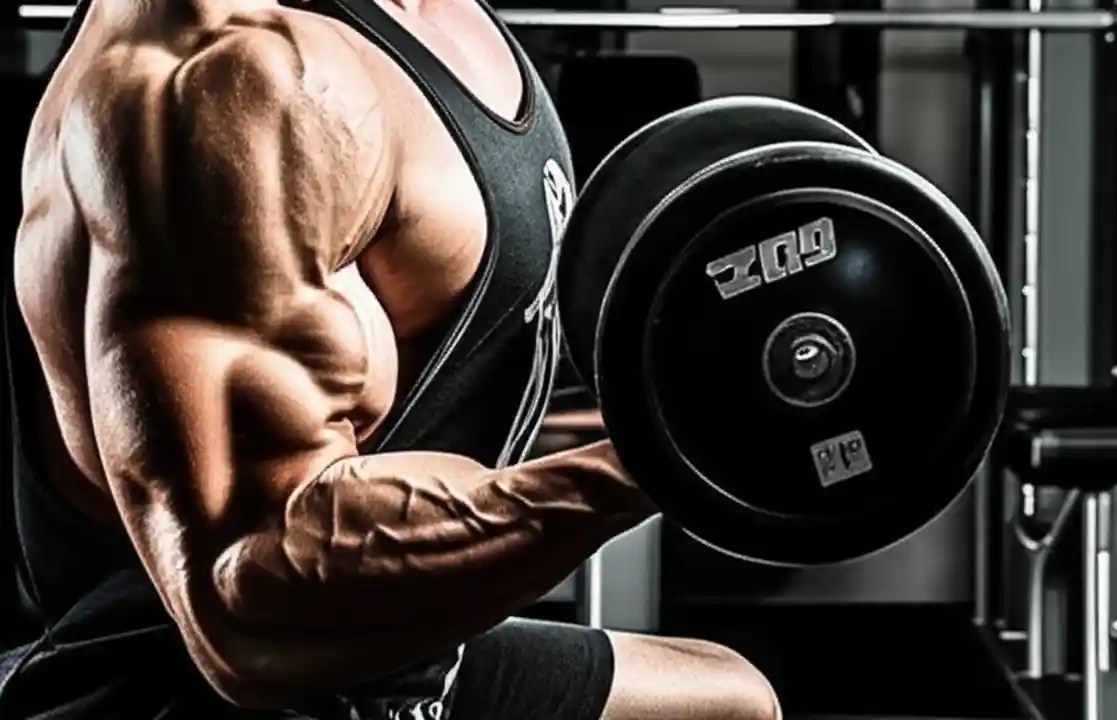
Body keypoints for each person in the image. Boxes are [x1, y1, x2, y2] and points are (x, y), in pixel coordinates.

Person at [0, 1, 782, 718]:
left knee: (727, 698)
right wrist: (664, 460)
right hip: (197, 687)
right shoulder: (233, 79)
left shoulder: (436, 21)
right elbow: (243, 598)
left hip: (391, 659)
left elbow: (455, 361)